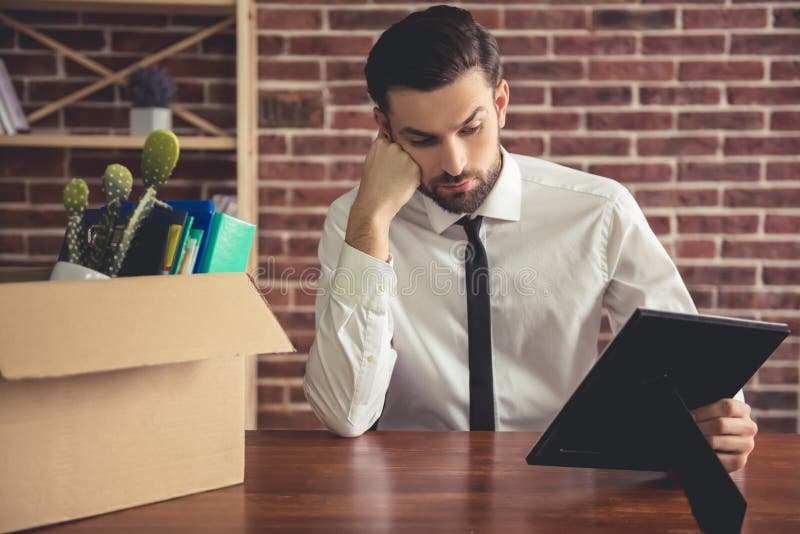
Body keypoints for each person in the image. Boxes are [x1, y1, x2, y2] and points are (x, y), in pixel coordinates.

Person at [303, 5, 757, 472]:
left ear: (500, 103)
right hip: (414, 489)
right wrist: (372, 223)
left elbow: (688, 367)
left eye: (470, 129)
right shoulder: (356, 222)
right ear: (385, 131)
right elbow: (344, 414)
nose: (455, 163)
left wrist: (718, 425)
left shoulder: (598, 211)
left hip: (567, 487)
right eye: (422, 140)